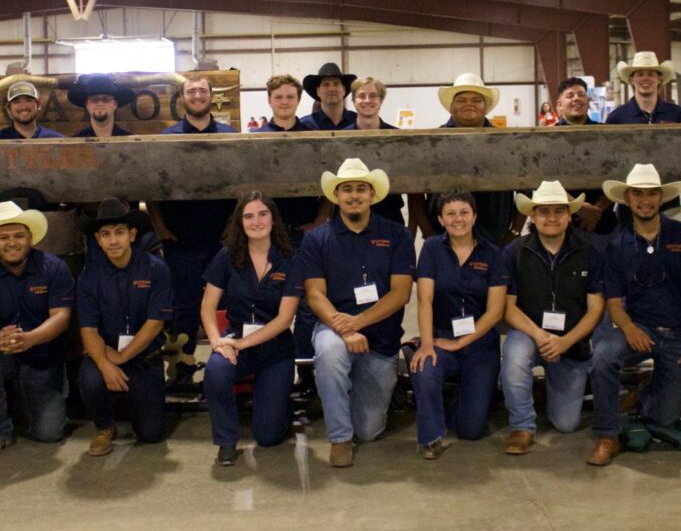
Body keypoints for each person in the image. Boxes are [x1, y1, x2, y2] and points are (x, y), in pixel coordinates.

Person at [297, 158, 415, 467]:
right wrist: (345, 329)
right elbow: (314, 294)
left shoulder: (397, 235)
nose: (354, 196)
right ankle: (339, 439)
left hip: (381, 339)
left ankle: (349, 395)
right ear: (336, 195)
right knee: (328, 351)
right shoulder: (317, 239)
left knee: (369, 430)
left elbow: (401, 293)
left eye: (361, 189)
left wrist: (359, 322)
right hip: (335, 330)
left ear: (372, 194)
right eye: (346, 189)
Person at [587, 164, 681, 467]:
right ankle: (608, 434)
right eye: (638, 194)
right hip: (640, 328)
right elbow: (614, 302)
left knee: (664, 418)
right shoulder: (618, 246)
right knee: (603, 354)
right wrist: (628, 328)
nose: (645, 201)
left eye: (651, 194)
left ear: (661, 198)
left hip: (680, 334)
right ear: (627, 199)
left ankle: (644, 393)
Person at [499, 181, 607, 454]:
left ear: (570, 216)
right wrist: (540, 336)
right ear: (533, 216)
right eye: (544, 211)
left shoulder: (589, 252)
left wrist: (565, 341)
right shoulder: (515, 252)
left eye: (559, 211)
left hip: (571, 341)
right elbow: (507, 307)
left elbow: (596, 308)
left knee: (565, 423)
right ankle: (522, 426)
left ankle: (542, 391)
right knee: (514, 356)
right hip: (529, 332)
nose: (552, 218)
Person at [0, 202, 74, 457]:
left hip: (43, 354)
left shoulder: (54, 268)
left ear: (30, 238)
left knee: (49, 434)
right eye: (3, 237)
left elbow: (62, 317)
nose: (12, 243)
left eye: (18, 235)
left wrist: (30, 339)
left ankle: (27, 404)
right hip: (0, 353)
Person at [201, 193, 301, 466]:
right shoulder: (226, 257)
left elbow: (284, 319)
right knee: (215, 370)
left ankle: (280, 404)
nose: (256, 221)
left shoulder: (290, 259)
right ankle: (226, 440)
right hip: (235, 339)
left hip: (275, 347)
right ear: (240, 222)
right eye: (248, 216)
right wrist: (217, 341)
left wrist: (241, 344)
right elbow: (207, 307)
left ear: (273, 219)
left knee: (268, 436)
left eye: (262, 214)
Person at [148, 75, 237, 383]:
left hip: (220, 240)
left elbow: (243, 182)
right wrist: (159, 225)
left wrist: (233, 225)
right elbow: (151, 184)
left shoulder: (229, 136)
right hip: (179, 239)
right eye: (191, 91)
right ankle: (181, 371)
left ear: (211, 96)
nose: (197, 95)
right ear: (182, 98)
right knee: (183, 306)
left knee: (226, 304)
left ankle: (227, 368)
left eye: (202, 91)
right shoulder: (167, 138)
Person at [409, 189, 507, 459]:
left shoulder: (492, 254)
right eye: (450, 214)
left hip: (481, 343)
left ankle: (451, 401)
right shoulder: (431, 249)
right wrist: (427, 344)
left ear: (474, 216)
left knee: (471, 430)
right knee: (424, 366)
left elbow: (495, 311)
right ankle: (430, 438)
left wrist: (461, 342)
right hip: (441, 336)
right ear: (441, 219)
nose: (458, 219)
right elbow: (425, 300)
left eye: (464, 212)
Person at [76, 198, 173, 456]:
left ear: (132, 235)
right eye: (106, 234)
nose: (113, 240)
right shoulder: (89, 277)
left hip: (144, 357)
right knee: (89, 378)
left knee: (151, 434)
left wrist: (123, 357)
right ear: (98, 240)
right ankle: (104, 426)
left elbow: (155, 324)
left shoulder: (156, 269)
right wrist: (106, 364)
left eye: (119, 232)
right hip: (105, 353)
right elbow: (88, 330)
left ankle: (134, 403)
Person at [411, 73, 524, 246]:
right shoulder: (432, 142)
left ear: (486, 107)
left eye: (476, 100)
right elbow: (415, 189)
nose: (469, 104)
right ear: (451, 107)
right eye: (461, 100)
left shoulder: (506, 142)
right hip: (442, 236)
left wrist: (515, 231)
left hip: (495, 237)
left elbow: (525, 187)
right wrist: (428, 231)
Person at [551, 77, 619, 245]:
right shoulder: (548, 138)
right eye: (570, 95)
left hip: (604, 222)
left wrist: (596, 211)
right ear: (559, 105)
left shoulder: (607, 134)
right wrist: (578, 207)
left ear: (588, 102)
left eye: (581, 94)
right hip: (561, 225)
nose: (576, 98)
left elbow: (618, 174)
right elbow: (544, 180)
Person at [257, 74, 324, 238]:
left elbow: (328, 184)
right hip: (267, 232)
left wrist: (319, 222)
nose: (284, 102)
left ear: (298, 100)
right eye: (278, 97)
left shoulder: (315, 138)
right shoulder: (255, 139)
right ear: (269, 100)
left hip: (307, 230)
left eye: (290, 97)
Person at [342, 77, 407, 226]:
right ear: (353, 101)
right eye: (361, 96)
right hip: (349, 215)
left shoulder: (399, 138)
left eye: (373, 96)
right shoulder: (340, 138)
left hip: (389, 215)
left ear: (381, 100)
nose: (367, 100)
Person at [606, 52, 681, 125]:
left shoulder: (677, 115)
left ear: (659, 80)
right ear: (631, 80)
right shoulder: (616, 118)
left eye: (650, 74)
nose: (645, 78)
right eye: (640, 74)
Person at [0, 81, 65, 140]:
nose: (23, 106)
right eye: (16, 102)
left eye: (28, 100)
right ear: (8, 109)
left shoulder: (56, 140)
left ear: (38, 105)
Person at [67, 74, 132, 138]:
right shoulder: (74, 143)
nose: (100, 103)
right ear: (86, 104)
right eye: (94, 99)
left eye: (106, 99)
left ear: (115, 104)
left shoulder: (132, 142)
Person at [301, 61, 358, 130]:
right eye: (326, 84)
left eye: (336, 84)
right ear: (318, 91)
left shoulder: (357, 122)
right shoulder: (305, 125)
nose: (331, 89)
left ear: (344, 90)